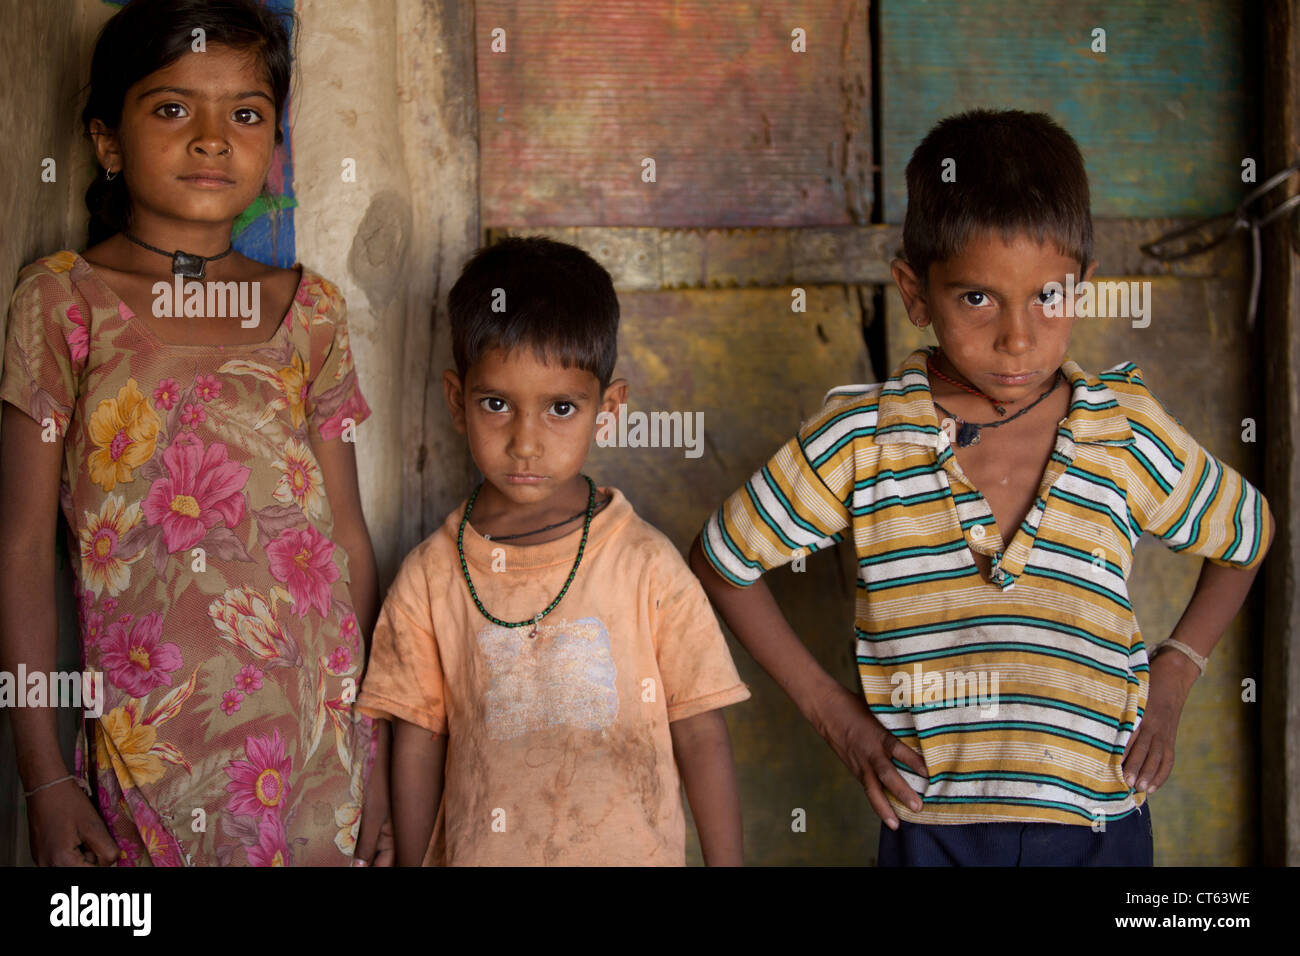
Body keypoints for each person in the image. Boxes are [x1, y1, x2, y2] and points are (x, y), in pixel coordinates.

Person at [690, 109, 1274, 866]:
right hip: (930, 828)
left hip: (1100, 824)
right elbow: (721, 561)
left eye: (1048, 297)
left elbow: (1246, 534)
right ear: (915, 292)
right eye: (977, 299)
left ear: (1084, 289)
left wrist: (1176, 672)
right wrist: (835, 716)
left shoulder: (1124, 431)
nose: (1018, 338)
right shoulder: (862, 439)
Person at [0, 0, 390, 866]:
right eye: (173, 108)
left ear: (274, 150)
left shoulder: (310, 310)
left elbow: (348, 541)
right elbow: (23, 546)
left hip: (318, 758)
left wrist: (377, 750)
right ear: (106, 141)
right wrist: (43, 777)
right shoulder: (65, 304)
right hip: (153, 761)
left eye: (245, 114)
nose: (212, 138)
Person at [357, 236, 750, 866]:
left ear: (609, 408)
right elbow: (418, 740)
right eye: (496, 405)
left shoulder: (646, 566)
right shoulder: (430, 579)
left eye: (560, 408)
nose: (525, 443)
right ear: (458, 402)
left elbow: (700, 730)